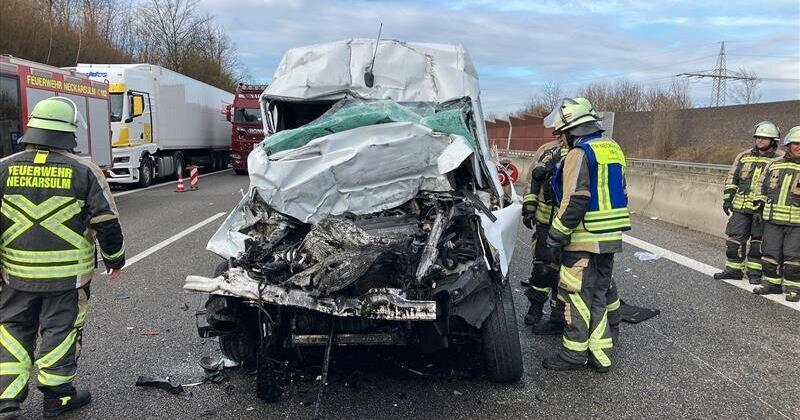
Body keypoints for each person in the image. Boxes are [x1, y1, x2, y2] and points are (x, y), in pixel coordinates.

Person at [0, 97, 125, 418]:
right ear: (69, 134)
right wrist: (115, 260)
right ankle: (58, 397)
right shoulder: (85, 171)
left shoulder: (3, 168)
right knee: (61, 329)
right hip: (68, 278)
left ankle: (6, 399)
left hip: (16, 274)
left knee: (12, 327)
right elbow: (106, 221)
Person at [540, 97, 631, 372]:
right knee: (598, 294)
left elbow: (576, 199)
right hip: (610, 236)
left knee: (576, 295)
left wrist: (555, 236)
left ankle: (574, 353)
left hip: (583, 237)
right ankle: (600, 353)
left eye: (562, 134)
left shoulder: (579, 153)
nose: (562, 140)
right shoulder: (612, 148)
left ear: (573, 130)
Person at [715, 121, 783, 284]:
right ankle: (733, 270)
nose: (760, 140)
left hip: (763, 210)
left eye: (764, 138)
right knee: (734, 240)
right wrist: (728, 198)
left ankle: (754, 274)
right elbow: (733, 177)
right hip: (740, 207)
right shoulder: (744, 156)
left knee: (758, 243)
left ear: (773, 140)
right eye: (758, 137)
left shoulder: (780, 159)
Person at [521, 139, 567, 326]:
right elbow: (532, 179)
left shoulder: (582, 149)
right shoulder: (547, 150)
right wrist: (529, 206)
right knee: (542, 267)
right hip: (545, 221)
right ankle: (536, 306)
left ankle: (558, 313)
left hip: (569, 222)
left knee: (565, 271)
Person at [752, 126, 800, 302]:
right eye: (795, 143)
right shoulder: (775, 164)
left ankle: (794, 288)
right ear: (788, 144)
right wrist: (758, 207)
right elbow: (761, 187)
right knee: (770, 253)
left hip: (797, 223)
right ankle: (772, 283)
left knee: (793, 256)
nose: (798, 147)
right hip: (772, 220)